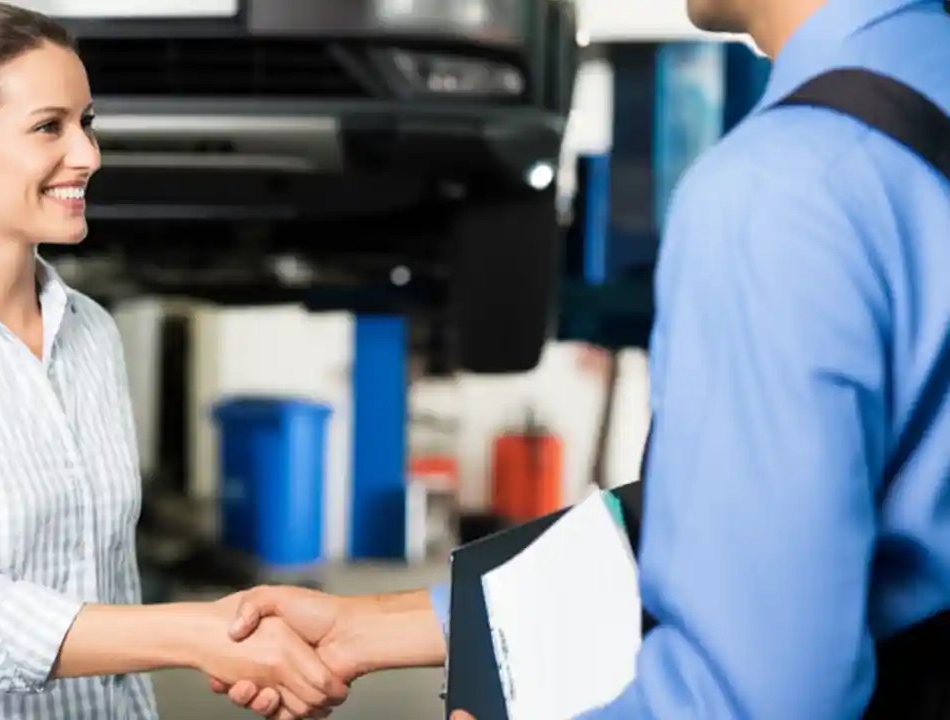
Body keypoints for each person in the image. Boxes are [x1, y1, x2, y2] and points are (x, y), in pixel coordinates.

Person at [212, 0, 950, 716]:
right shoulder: (907, 123)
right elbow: (778, 521)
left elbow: (760, 696)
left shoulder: (783, 190)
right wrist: (387, 624)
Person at [0, 3, 349, 718]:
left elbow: (109, 587)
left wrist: (218, 647)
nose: (88, 154)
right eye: (48, 126)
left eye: (87, 122)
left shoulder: (90, 334)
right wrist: (207, 634)